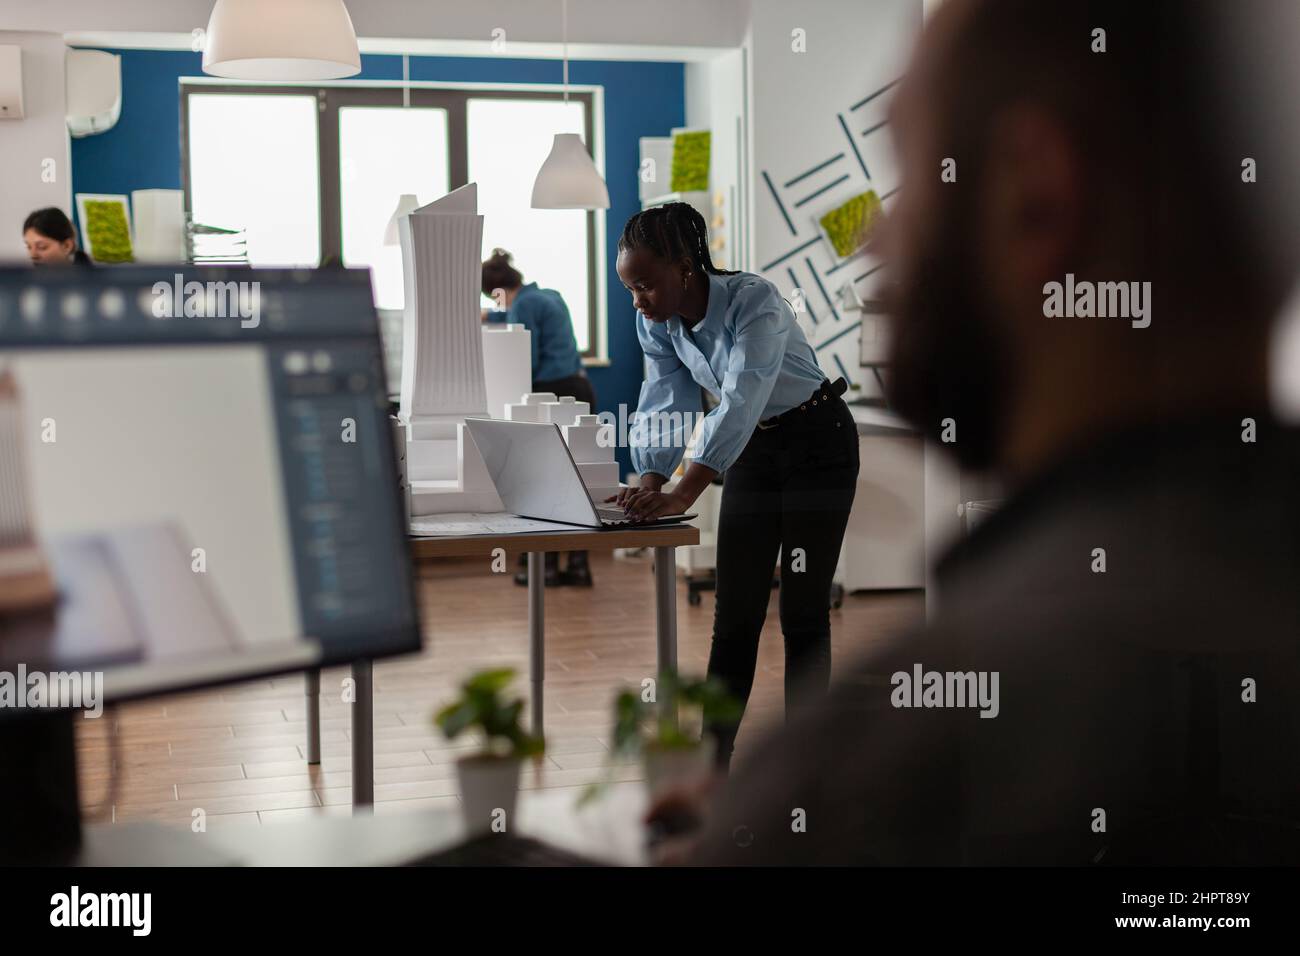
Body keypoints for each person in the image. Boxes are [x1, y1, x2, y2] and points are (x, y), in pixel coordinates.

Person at [647, 0, 1300, 866]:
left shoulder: (901, 759)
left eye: (915, 175)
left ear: (1037, 193)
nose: (880, 236)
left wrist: (774, 817)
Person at [613, 202, 859, 772]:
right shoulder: (658, 321)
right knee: (735, 614)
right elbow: (663, 400)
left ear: (684, 266)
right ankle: (711, 767)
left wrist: (682, 494)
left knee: (802, 611)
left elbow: (741, 400)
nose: (638, 301)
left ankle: (805, 766)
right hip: (755, 449)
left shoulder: (757, 302)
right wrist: (651, 481)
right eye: (630, 289)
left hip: (818, 443)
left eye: (645, 285)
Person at [481, 248, 596, 587]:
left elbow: (525, 356)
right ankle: (578, 565)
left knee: (542, 479)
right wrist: (494, 318)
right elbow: (518, 318)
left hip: (549, 392)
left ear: (496, 292)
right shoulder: (549, 296)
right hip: (579, 388)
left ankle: (542, 565)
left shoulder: (523, 306)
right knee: (577, 480)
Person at [22, 208, 91, 266]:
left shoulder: (92, 279)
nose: (33, 255)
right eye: (29, 247)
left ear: (67, 246)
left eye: (42, 247)